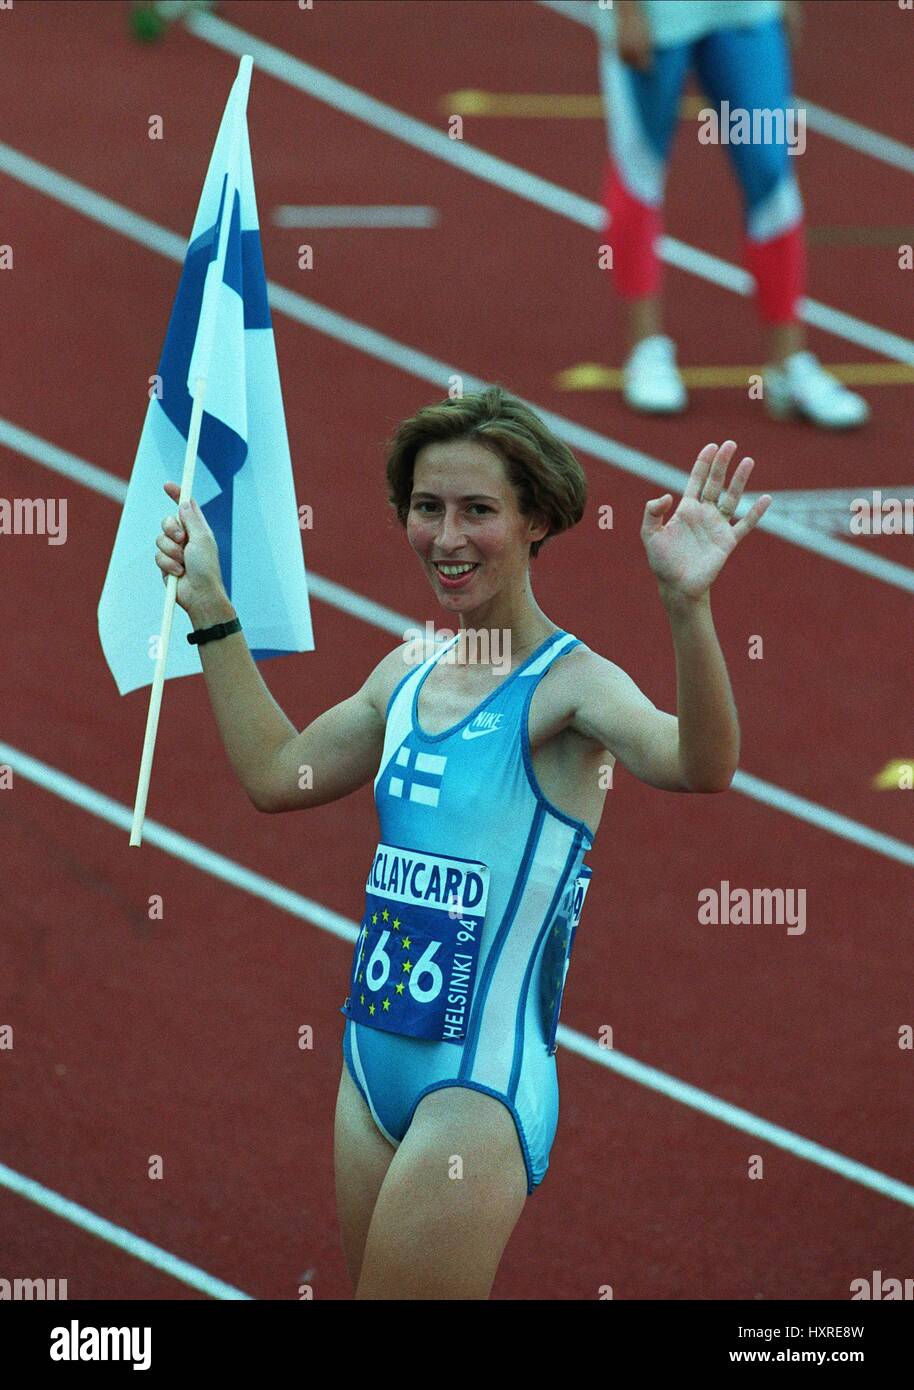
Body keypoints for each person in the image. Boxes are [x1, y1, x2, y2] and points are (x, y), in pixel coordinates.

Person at [154, 386, 771, 1299]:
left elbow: (699, 763)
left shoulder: (573, 688)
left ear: (536, 523)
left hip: (477, 1091)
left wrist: (687, 606)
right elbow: (278, 777)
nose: (447, 537)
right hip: (371, 1062)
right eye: (427, 508)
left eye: (479, 510)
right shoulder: (404, 674)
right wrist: (210, 605)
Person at [600, 0, 869, 427]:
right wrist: (626, 10)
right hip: (659, 14)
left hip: (746, 11)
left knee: (771, 175)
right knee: (640, 172)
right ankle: (646, 349)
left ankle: (787, 364)